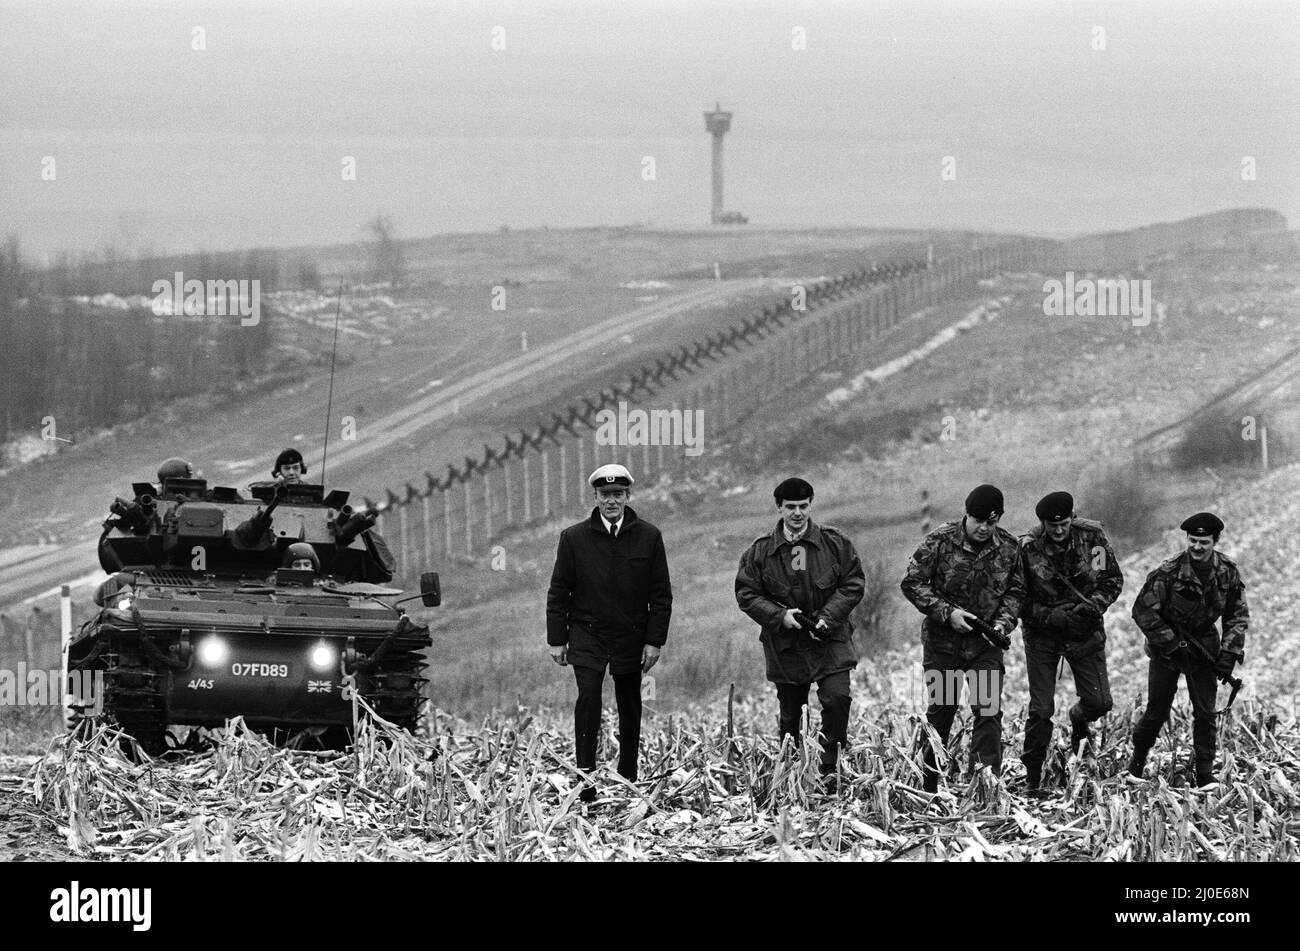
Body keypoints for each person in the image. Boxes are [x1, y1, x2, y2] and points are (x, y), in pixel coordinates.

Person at [545, 463, 672, 804]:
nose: (612, 501)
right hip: (587, 634)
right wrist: (557, 640)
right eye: (605, 495)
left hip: (631, 636)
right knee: (588, 698)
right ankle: (585, 779)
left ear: (628, 496)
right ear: (596, 497)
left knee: (630, 703)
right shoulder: (573, 538)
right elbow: (559, 592)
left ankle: (628, 775)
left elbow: (660, 595)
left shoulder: (649, 536)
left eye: (618, 495)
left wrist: (653, 640)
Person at [735, 477, 865, 786]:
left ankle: (830, 768)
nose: (797, 513)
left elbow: (853, 583)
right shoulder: (760, 552)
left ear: (810, 505)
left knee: (837, 699)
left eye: (803, 506)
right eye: (790, 507)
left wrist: (828, 618)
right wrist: (780, 616)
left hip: (830, 640)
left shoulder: (836, 544)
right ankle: (794, 775)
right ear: (778, 508)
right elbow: (747, 594)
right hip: (786, 646)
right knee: (792, 717)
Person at [901, 483, 1024, 793]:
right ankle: (926, 787)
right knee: (941, 712)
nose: (984, 528)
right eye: (978, 520)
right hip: (944, 647)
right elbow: (912, 583)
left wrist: (1002, 624)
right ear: (966, 515)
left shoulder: (1009, 548)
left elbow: (1016, 591)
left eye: (991, 522)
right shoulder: (940, 541)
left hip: (985, 647)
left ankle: (984, 788)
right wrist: (946, 613)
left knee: (987, 711)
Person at [1128, 512, 1249, 788]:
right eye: (1193, 540)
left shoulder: (1227, 571)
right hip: (1165, 652)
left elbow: (1237, 615)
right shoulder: (1168, 572)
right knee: (1156, 711)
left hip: (1205, 648)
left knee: (1205, 713)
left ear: (1214, 541)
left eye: (1204, 542)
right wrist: (1172, 643)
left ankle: (1205, 774)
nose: (1197, 547)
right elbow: (1143, 611)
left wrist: (1229, 653)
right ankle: (1135, 765)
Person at [1017, 491, 1123, 793]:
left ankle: (1078, 719)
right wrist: (1050, 617)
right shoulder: (1027, 549)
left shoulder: (1092, 539)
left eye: (1063, 523)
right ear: (1043, 524)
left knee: (1100, 702)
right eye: (1053, 526)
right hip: (1043, 637)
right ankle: (1033, 777)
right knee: (1041, 710)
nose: (1059, 531)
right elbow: (1017, 597)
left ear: (1072, 518)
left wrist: (1090, 608)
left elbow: (1110, 580)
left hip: (1084, 632)